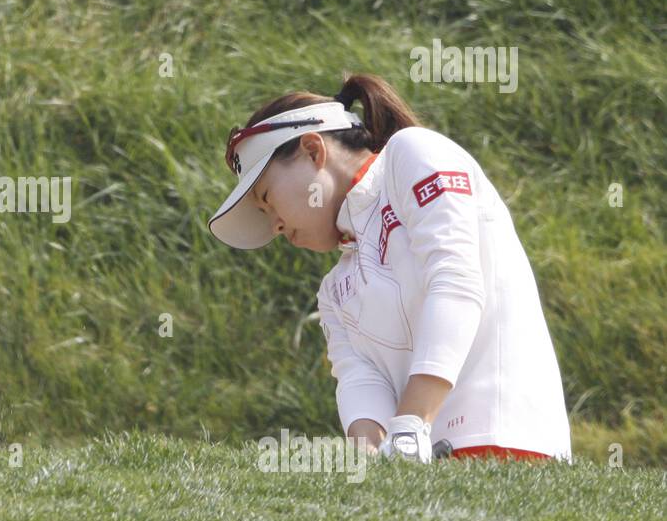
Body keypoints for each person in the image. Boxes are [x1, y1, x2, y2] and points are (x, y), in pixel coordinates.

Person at [208, 73, 572, 463]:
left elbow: (455, 281)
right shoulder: (334, 292)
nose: (274, 224)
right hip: (429, 467)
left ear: (314, 151)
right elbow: (360, 378)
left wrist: (411, 423)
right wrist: (372, 457)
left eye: (267, 198)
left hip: (507, 440)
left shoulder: (413, 152)